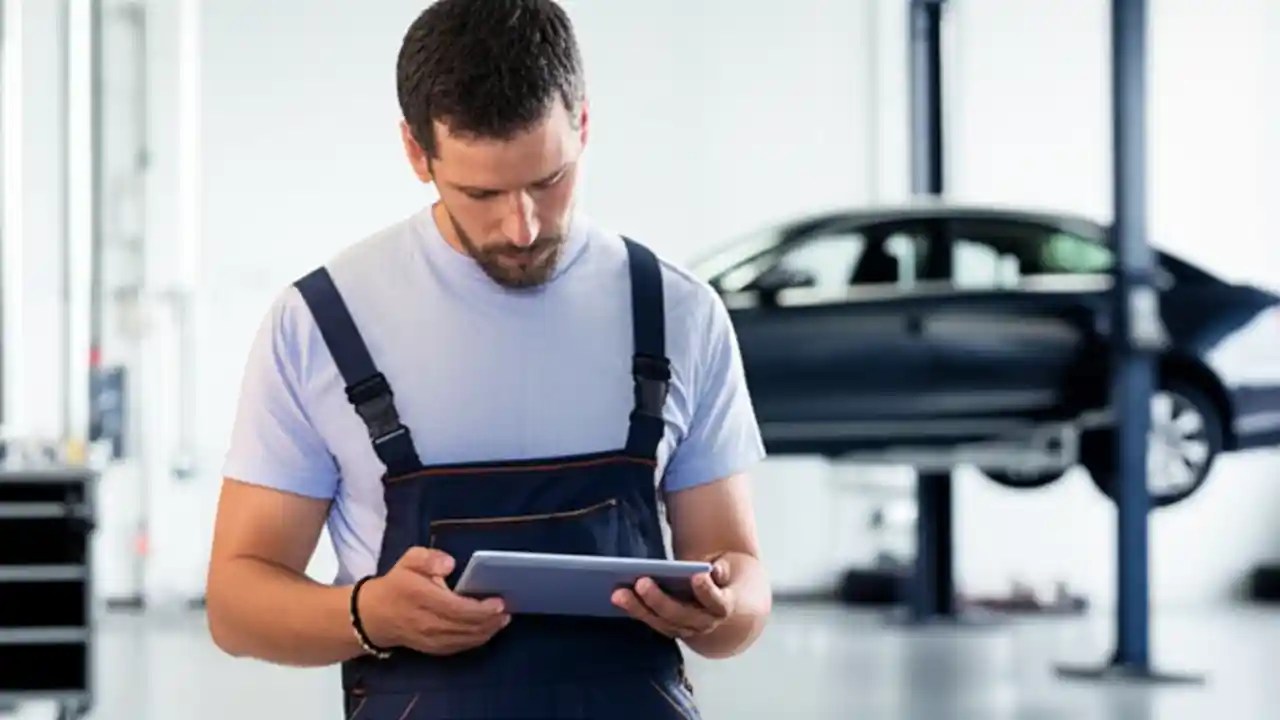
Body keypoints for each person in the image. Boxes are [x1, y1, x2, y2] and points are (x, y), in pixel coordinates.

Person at [204, 0, 771, 717]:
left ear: (584, 125)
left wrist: (722, 610)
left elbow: (741, 578)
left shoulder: (678, 313)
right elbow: (235, 603)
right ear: (417, 153)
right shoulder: (320, 322)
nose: (522, 225)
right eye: (481, 192)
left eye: (548, 180)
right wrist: (368, 614)